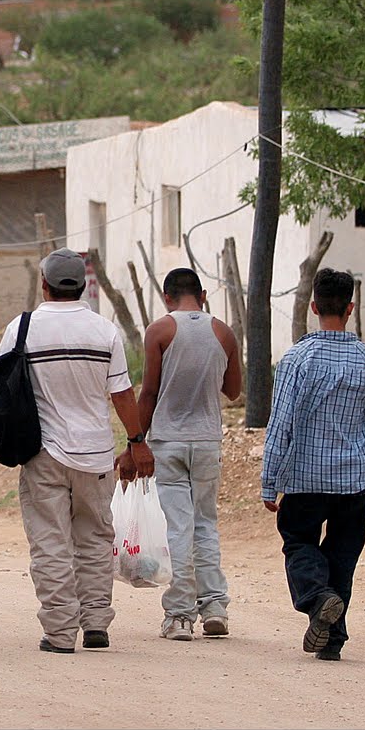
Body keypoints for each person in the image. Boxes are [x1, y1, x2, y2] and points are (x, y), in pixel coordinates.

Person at [0, 247, 151, 654]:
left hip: (42, 454)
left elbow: (1, 389)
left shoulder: (22, 329)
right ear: (82, 286)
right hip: (96, 454)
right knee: (95, 538)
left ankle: (61, 632)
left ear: (43, 284)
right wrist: (137, 443)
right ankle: (96, 623)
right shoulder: (104, 330)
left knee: (50, 543)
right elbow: (122, 394)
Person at [260, 267, 365, 662]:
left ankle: (318, 597)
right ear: (350, 308)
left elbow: (280, 424)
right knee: (342, 556)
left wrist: (270, 481)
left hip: (304, 478)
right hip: (353, 482)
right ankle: (332, 641)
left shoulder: (296, 360)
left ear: (314, 307)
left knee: (298, 541)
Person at [127, 267, 242, 642]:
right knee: (205, 524)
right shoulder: (223, 332)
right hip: (207, 441)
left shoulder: (160, 331)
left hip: (168, 441)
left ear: (166, 298)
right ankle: (215, 606)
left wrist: (134, 443)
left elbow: (149, 392)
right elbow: (233, 390)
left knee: (178, 527)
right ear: (203, 295)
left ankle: (179, 615)